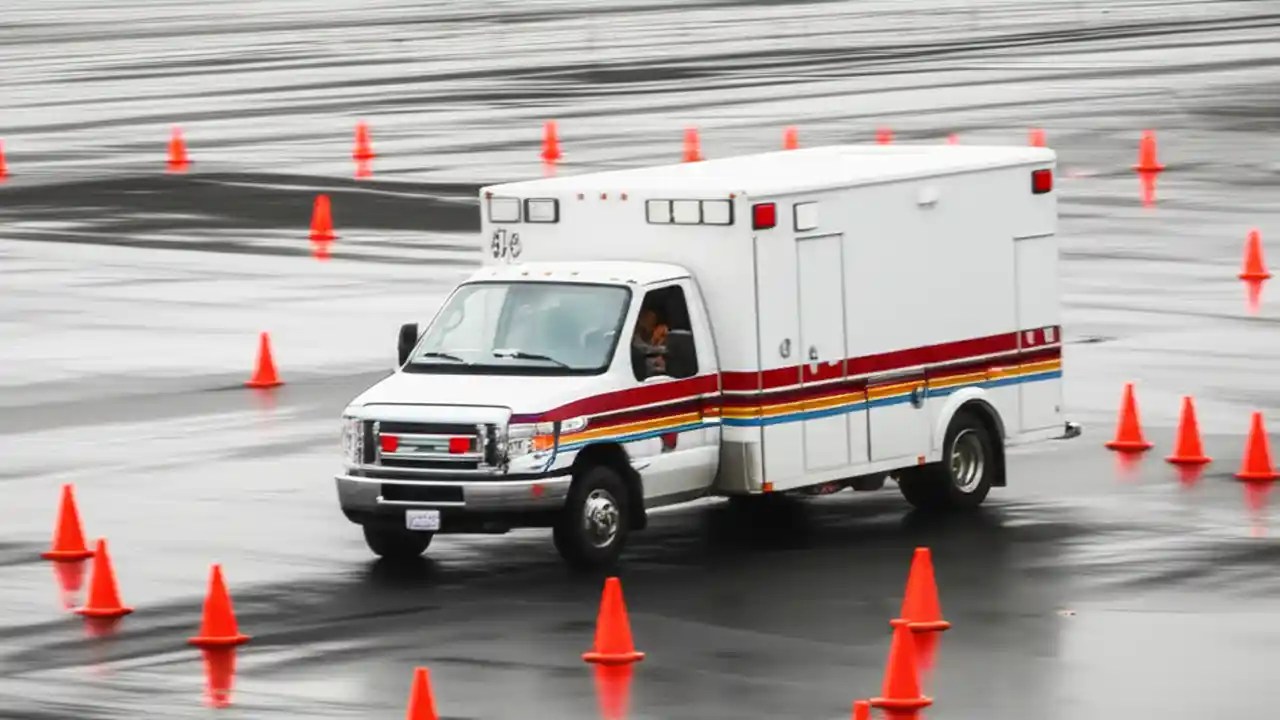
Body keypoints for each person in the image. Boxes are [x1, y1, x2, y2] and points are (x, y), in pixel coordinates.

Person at [632, 307, 669, 378]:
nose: (649, 321)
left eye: (652, 319)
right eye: (646, 319)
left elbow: (667, 350)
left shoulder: (661, 332)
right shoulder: (634, 336)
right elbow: (640, 349)